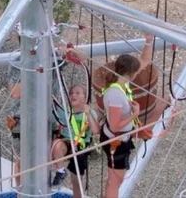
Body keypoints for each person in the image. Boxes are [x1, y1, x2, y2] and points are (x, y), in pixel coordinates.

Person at [97, 53, 142, 198]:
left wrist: (149, 42)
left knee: (114, 178)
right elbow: (115, 126)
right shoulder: (116, 94)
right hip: (116, 141)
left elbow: (145, 61)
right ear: (129, 73)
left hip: (118, 139)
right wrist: (135, 114)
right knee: (116, 181)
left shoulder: (121, 83)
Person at [51, 84, 99, 196]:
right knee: (56, 144)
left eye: (77, 93)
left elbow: (96, 131)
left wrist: (88, 114)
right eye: (71, 93)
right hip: (65, 143)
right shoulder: (64, 112)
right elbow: (53, 123)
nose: (73, 95)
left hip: (80, 147)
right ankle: (60, 171)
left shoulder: (89, 113)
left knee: (76, 180)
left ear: (85, 97)